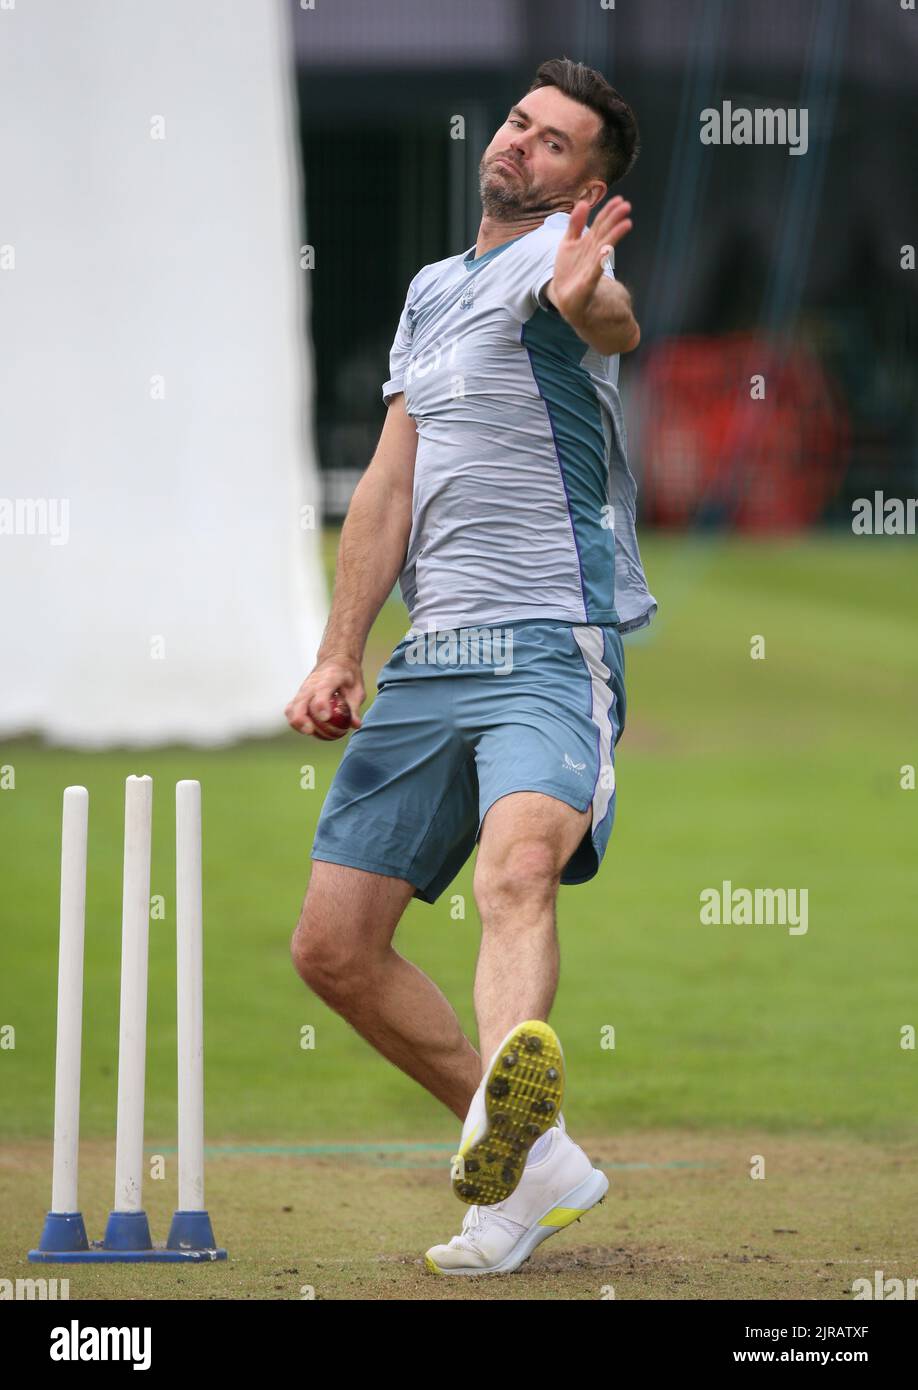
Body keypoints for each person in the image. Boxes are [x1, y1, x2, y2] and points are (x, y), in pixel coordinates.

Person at [285, 57, 656, 1276]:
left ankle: (516, 1156)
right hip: (429, 658)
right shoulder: (430, 290)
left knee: (518, 869)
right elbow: (388, 487)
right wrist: (342, 651)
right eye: (518, 122)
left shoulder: (566, 279)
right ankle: (531, 1163)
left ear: (581, 186)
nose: (520, 144)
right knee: (334, 948)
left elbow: (613, 322)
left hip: (551, 642)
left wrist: (586, 287)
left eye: (554, 144)